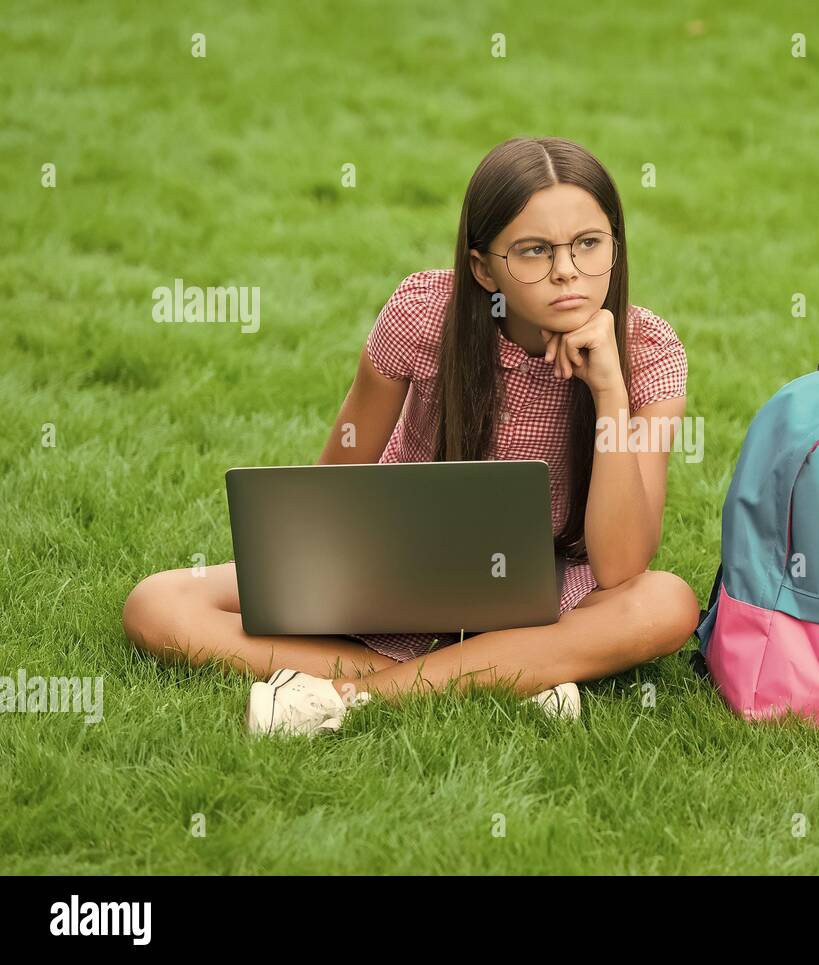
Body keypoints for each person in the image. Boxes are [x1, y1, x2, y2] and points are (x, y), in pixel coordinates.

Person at [121, 136, 700, 735]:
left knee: (665, 603)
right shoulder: (423, 315)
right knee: (160, 604)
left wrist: (610, 392)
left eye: (588, 244)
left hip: (548, 585)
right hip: (397, 565)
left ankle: (351, 695)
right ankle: (507, 675)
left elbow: (622, 565)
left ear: (615, 246)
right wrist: (346, 573)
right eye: (533, 251)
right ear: (483, 269)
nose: (566, 272)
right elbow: (334, 487)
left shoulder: (649, 351)